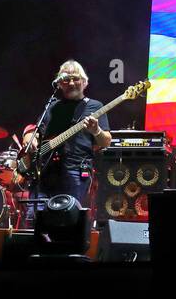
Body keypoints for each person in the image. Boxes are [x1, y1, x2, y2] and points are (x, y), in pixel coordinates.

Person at [19, 61, 112, 212]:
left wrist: (96, 131)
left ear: (84, 82)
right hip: (44, 172)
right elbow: (36, 130)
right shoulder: (53, 106)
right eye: (66, 79)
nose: (71, 83)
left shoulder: (94, 106)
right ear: (60, 84)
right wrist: (29, 137)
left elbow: (106, 141)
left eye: (75, 78)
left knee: (66, 219)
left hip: (75, 171)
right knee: (34, 220)